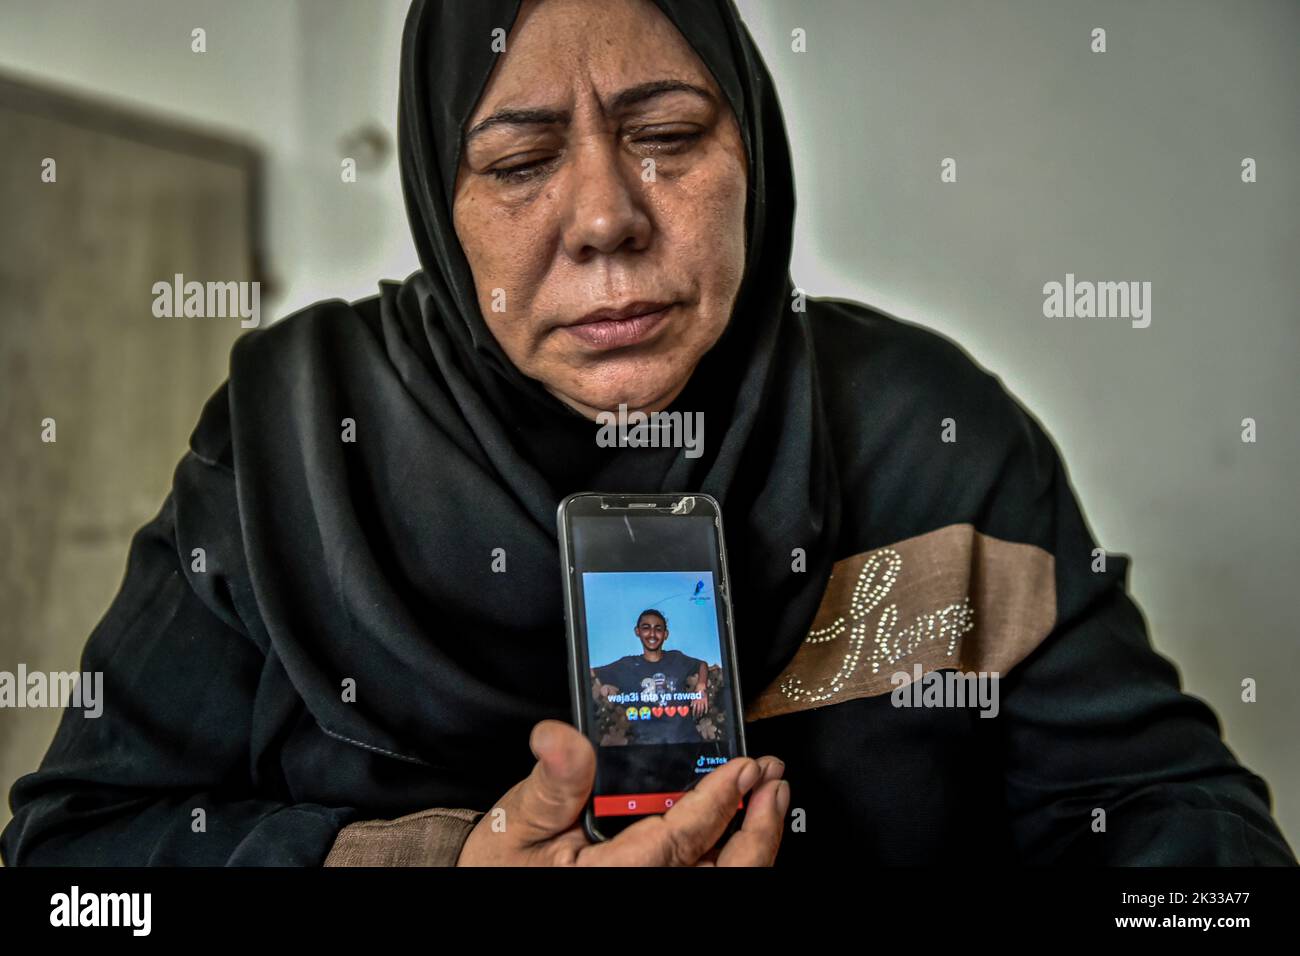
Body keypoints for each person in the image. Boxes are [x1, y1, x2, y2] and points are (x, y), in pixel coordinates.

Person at [1, 0, 1294, 868]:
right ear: (438, 203)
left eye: (667, 137)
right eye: (517, 163)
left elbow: (1202, 840)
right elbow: (72, 868)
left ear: (757, 151)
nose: (606, 216)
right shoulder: (290, 446)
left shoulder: (929, 441)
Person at [592, 609, 710, 744]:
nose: (652, 634)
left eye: (658, 629)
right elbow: (591, 673)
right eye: (646, 628)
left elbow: (702, 665)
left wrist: (701, 686)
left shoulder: (676, 658)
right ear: (638, 632)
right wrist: (604, 686)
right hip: (646, 747)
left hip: (685, 743)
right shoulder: (626, 665)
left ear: (665, 634)